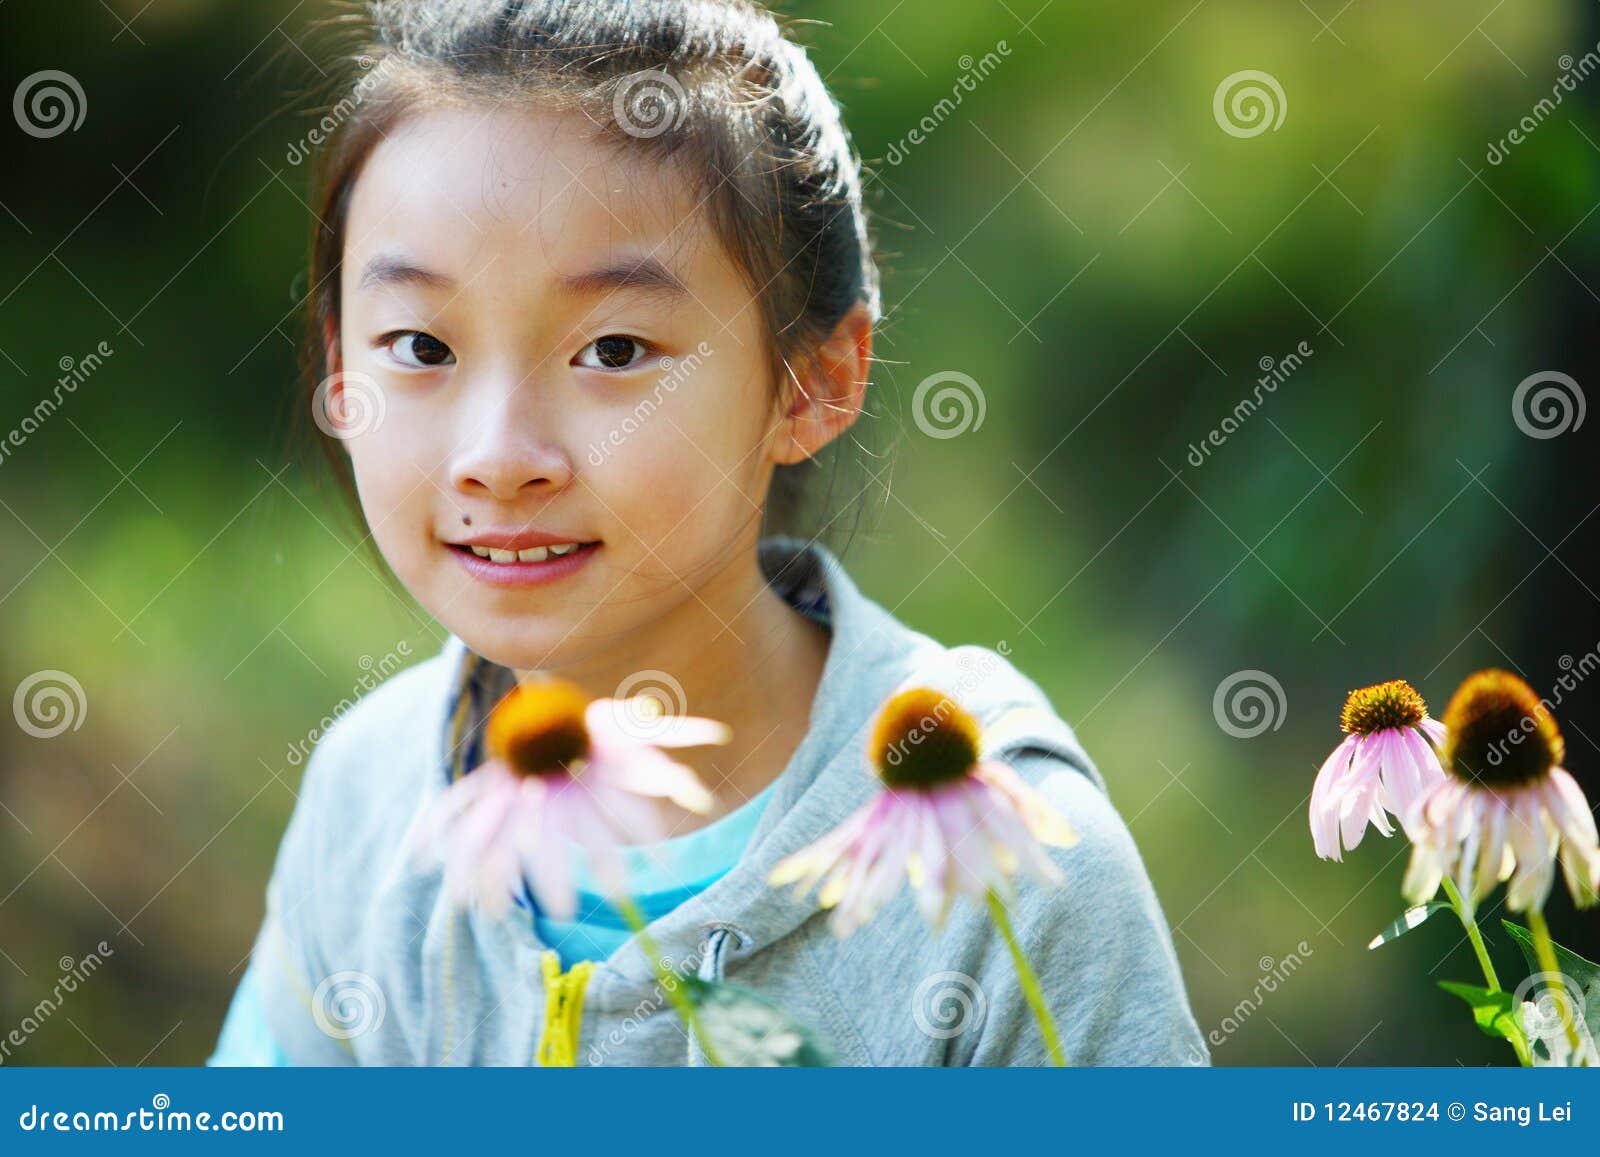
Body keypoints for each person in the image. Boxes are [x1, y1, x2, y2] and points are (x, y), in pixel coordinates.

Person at [210, 0, 1207, 1067]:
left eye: (616, 348)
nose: (498, 455)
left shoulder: (1002, 867)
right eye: (419, 342)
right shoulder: (370, 802)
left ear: (814, 381)